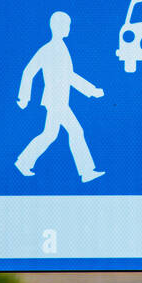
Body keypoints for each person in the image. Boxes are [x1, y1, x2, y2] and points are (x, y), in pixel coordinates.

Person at [15, 11, 105, 182]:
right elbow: (28, 71)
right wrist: (24, 97)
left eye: (69, 25)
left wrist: (91, 90)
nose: (69, 28)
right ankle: (86, 172)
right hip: (56, 101)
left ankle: (23, 162)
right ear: (56, 27)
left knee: (50, 134)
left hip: (59, 100)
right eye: (66, 25)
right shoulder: (50, 49)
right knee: (75, 131)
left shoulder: (60, 48)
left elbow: (68, 75)